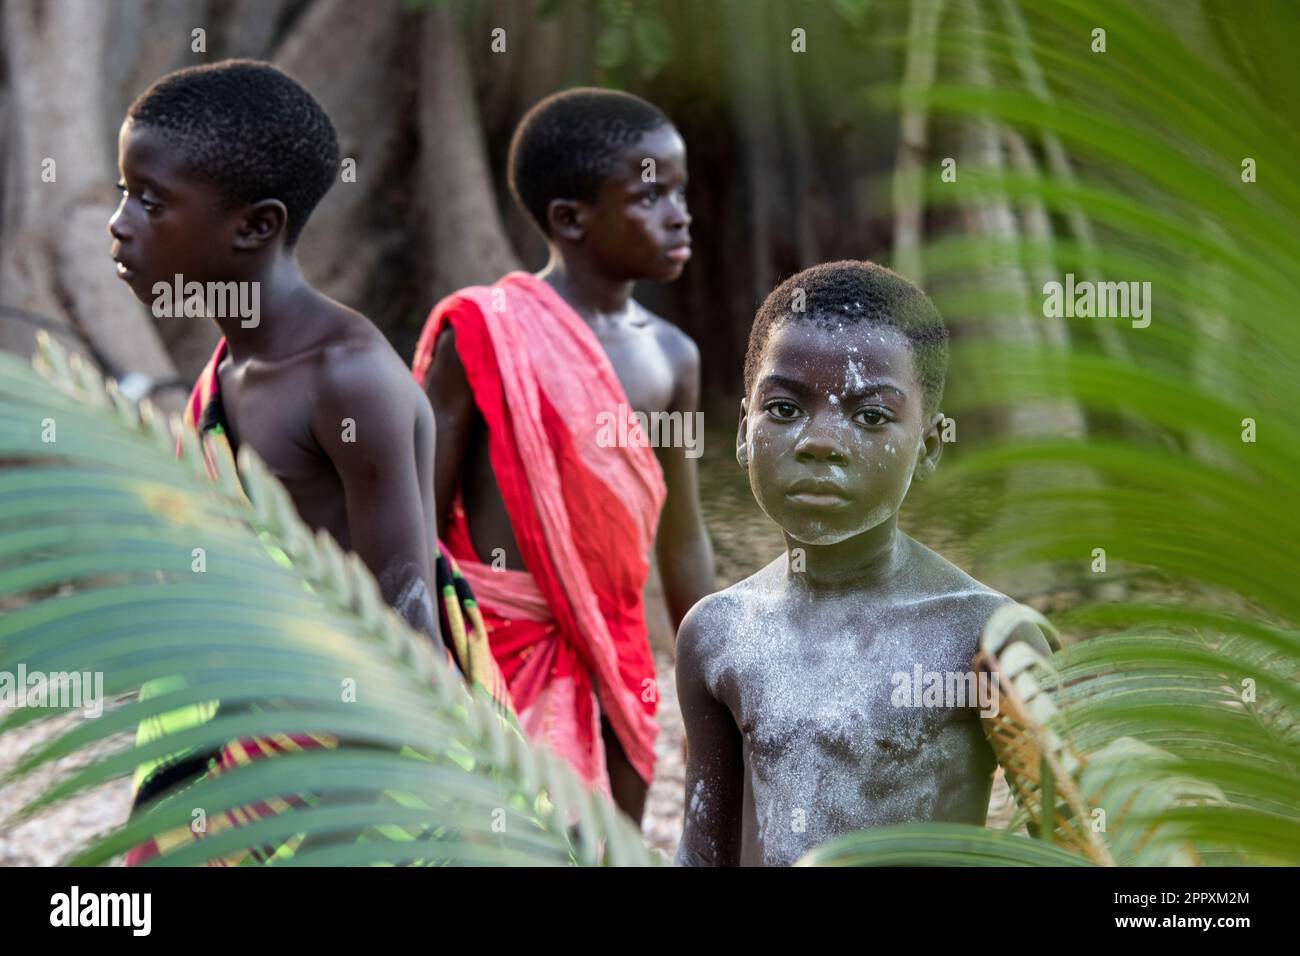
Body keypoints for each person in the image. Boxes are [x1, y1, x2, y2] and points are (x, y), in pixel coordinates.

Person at [110, 60, 505, 865]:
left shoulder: (345, 379)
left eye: (150, 201)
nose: (119, 222)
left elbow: (405, 618)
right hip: (229, 731)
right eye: (123, 193)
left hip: (335, 764)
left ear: (254, 226)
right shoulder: (229, 369)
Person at [674, 261, 1052, 866]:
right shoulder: (716, 633)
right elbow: (703, 854)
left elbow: (1071, 846)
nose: (819, 441)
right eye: (784, 409)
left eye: (871, 415)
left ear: (927, 446)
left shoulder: (982, 637)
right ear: (744, 431)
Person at [413, 88, 715, 823]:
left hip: (616, 657)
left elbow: (682, 536)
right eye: (650, 196)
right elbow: (414, 510)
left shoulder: (674, 358)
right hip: (495, 649)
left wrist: (711, 675)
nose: (679, 214)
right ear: (570, 220)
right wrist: (412, 655)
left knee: (610, 834)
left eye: (680, 192)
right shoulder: (486, 333)